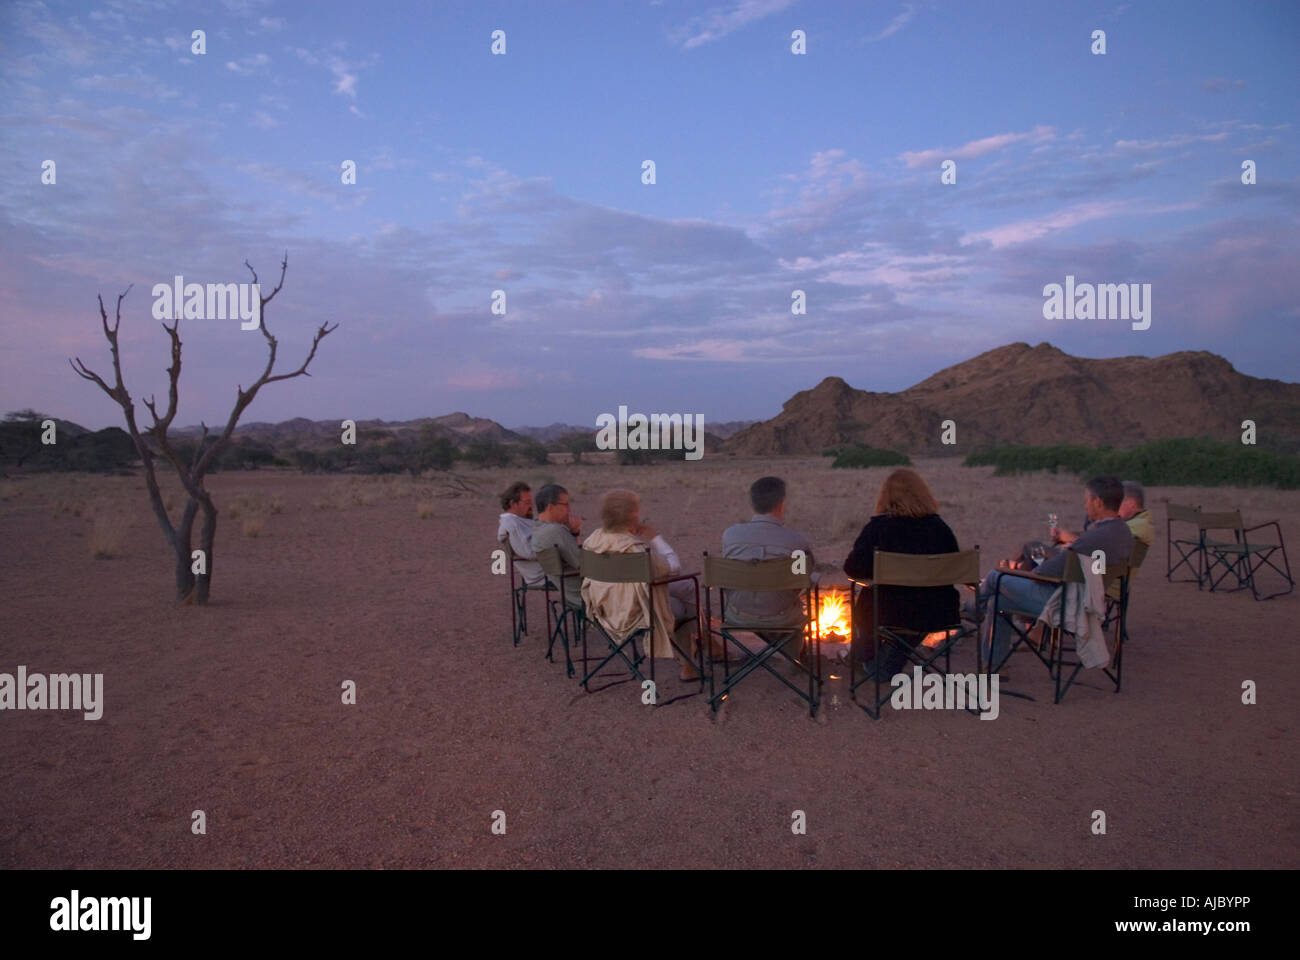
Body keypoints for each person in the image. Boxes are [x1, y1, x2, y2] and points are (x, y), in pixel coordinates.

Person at [978, 476, 1134, 671]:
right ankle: (994, 665)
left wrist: (1031, 565)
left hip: (1063, 604)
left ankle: (971, 609)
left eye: (1087, 501)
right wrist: (1066, 551)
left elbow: (1043, 572)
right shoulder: (1124, 533)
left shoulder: (1093, 538)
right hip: (1088, 600)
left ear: (1098, 502)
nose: (1085, 506)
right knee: (997, 602)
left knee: (996, 576)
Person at [843, 469, 960, 679]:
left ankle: (866, 656)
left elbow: (852, 568)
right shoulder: (940, 528)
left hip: (888, 613)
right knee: (903, 612)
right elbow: (953, 566)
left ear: (885, 497)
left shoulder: (878, 528)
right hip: (935, 613)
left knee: (869, 599)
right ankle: (894, 649)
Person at [581, 489, 701, 681]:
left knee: (686, 587)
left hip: (606, 608)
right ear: (632, 514)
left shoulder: (593, 540)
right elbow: (674, 567)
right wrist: (654, 537)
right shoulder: (636, 550)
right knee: (686, 599)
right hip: (640, 614)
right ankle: (691, 661)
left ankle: (697, 653)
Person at [722, 477, 815, 666]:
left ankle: (788, 654)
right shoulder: (795, 540)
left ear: (752, 503)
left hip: (737, 614)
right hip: (781, 615)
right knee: (791, 605)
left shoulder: (730, 535)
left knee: (768, 599)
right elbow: (804, 578)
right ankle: (794, 656)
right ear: (782, 503)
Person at [531, 483, 584, 610]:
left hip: (568, 591)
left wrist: (573, 532)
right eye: (565, 505)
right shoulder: (556, 531)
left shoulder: (537, 528)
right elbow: (582, 563)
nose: (569, 510)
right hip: (583, 593)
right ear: (550, 507)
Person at [496, 481, 545, 586]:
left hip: (554, 567)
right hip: (544, 574)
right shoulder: (512, 524)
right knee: (588, 571)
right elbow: (529, 552)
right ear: (513, 504)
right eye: (527, 503)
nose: (531, 506)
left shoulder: (522, 521)